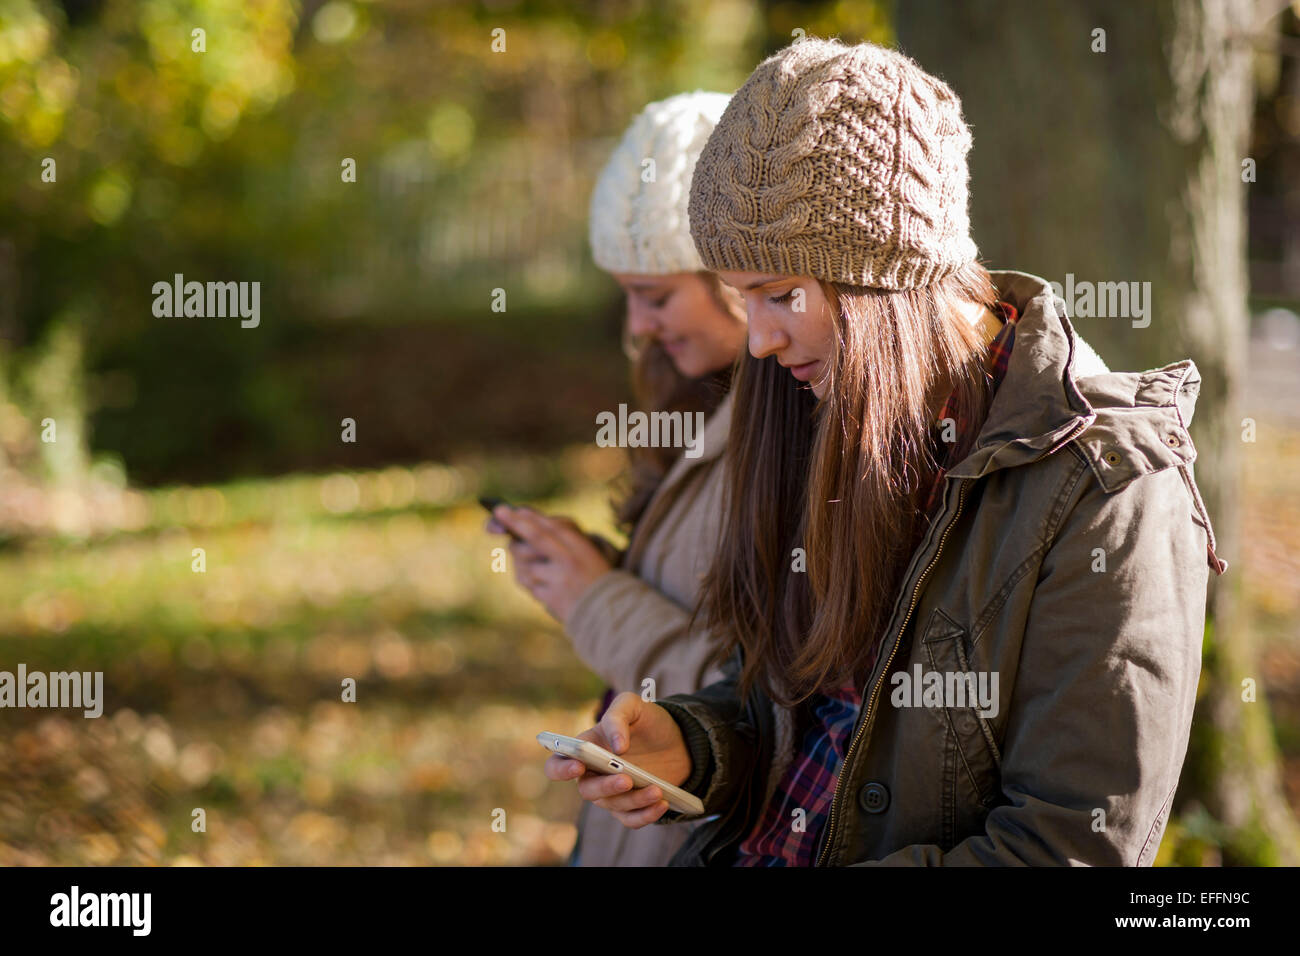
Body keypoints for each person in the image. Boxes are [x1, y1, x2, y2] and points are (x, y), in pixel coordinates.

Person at [542, 37, 1227, 866]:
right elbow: (802, 707)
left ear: (886, 277)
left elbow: (1067, 845)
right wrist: (699, 745)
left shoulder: (1108, 489)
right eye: (739, 299)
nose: (757, 342)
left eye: (781, 295)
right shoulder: (819, 407)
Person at [487, 92, 747, 866]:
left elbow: (761, 700)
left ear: (731, 272)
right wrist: (593, 566)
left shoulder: (803, 431)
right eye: (626, 294)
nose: (637, 327)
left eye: (656, 295)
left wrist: (594, 597)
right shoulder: (704, 402)